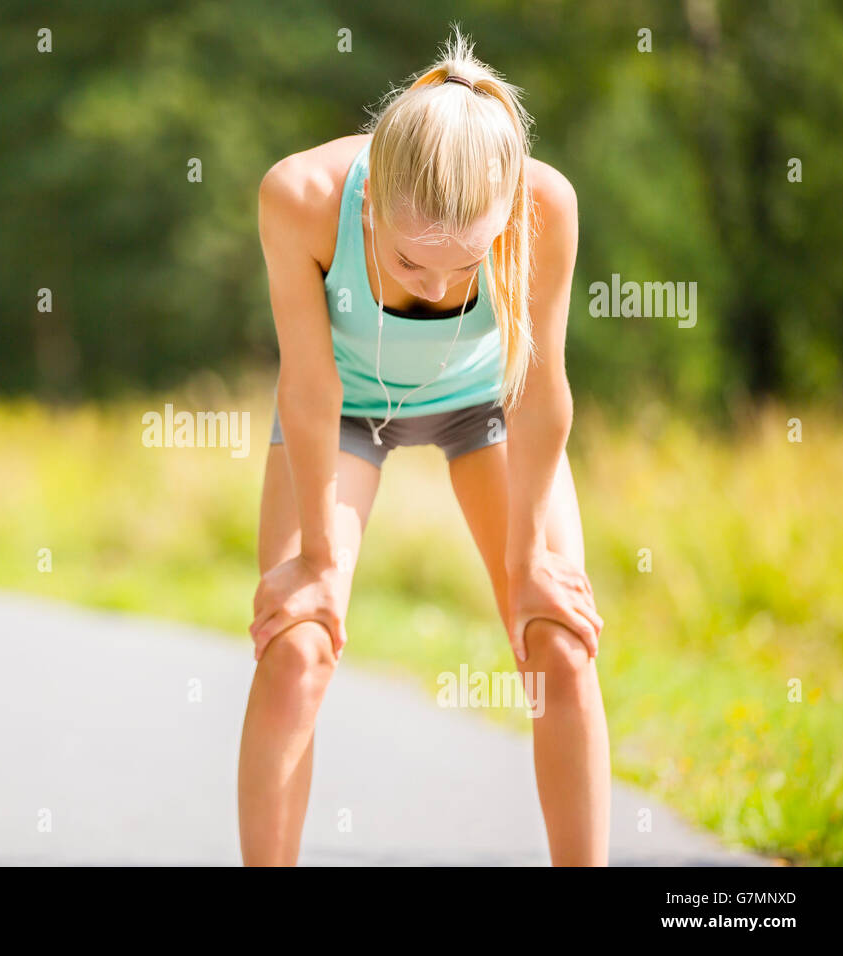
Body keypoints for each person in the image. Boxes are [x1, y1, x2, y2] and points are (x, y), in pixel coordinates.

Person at [239, 27, 609, 866]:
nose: (439, 288)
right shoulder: (300, 195)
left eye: (464, 266)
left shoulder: (545, 203)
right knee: (297, 649)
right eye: (410, 264)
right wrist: (321, 565)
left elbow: (543, 391)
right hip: (343, 409)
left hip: (487, 404)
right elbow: (308, 385)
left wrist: (527, 568)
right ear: (371, 205)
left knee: (559, 638)